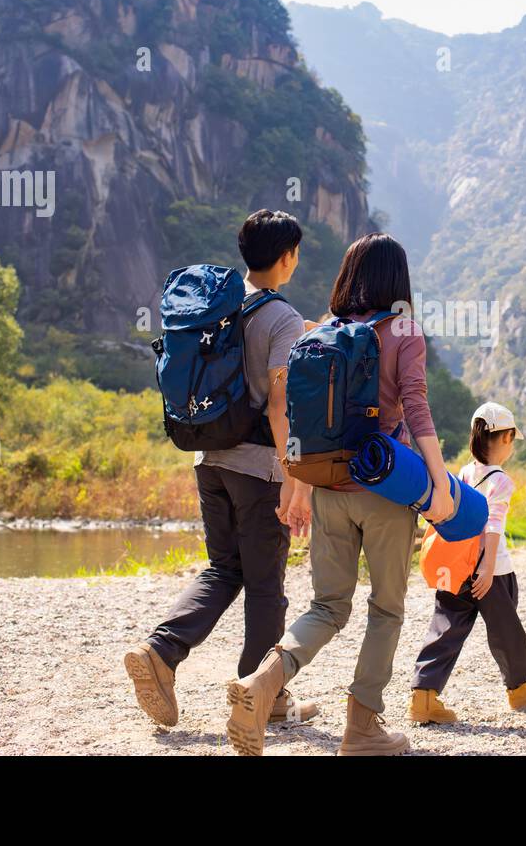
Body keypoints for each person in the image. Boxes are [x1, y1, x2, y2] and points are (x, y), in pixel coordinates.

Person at [226, 233, 454, 756]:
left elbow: (300, 411)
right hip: (385, 486)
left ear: (349, 276)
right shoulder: (403, 330)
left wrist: (300, 482)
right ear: (398, 280)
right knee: (387, 608)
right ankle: (362, 727)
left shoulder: (324, 331)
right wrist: (439, 482)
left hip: (328, 484)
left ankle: (263, 683)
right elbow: (416, 408)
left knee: (328, 605)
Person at [123, 209, 318, 730]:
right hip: (259, 469)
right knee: (265, 586)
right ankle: (263, 696)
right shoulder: (283, 319)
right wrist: (294, 480)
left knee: (224, 569)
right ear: (287, 256)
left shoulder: (227, 310)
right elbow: (280, 408)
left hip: (210, 462)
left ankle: (161, 651)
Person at [408, 402, 526, 725]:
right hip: (492, 571)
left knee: (446, 625)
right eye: (513, 438)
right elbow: (494, 526)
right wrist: (486, 568)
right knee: (506, 631)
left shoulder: (465, 473)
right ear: (505, 438)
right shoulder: (500, 481)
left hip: (456, 564)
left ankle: (423, 696)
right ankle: (520, 689)